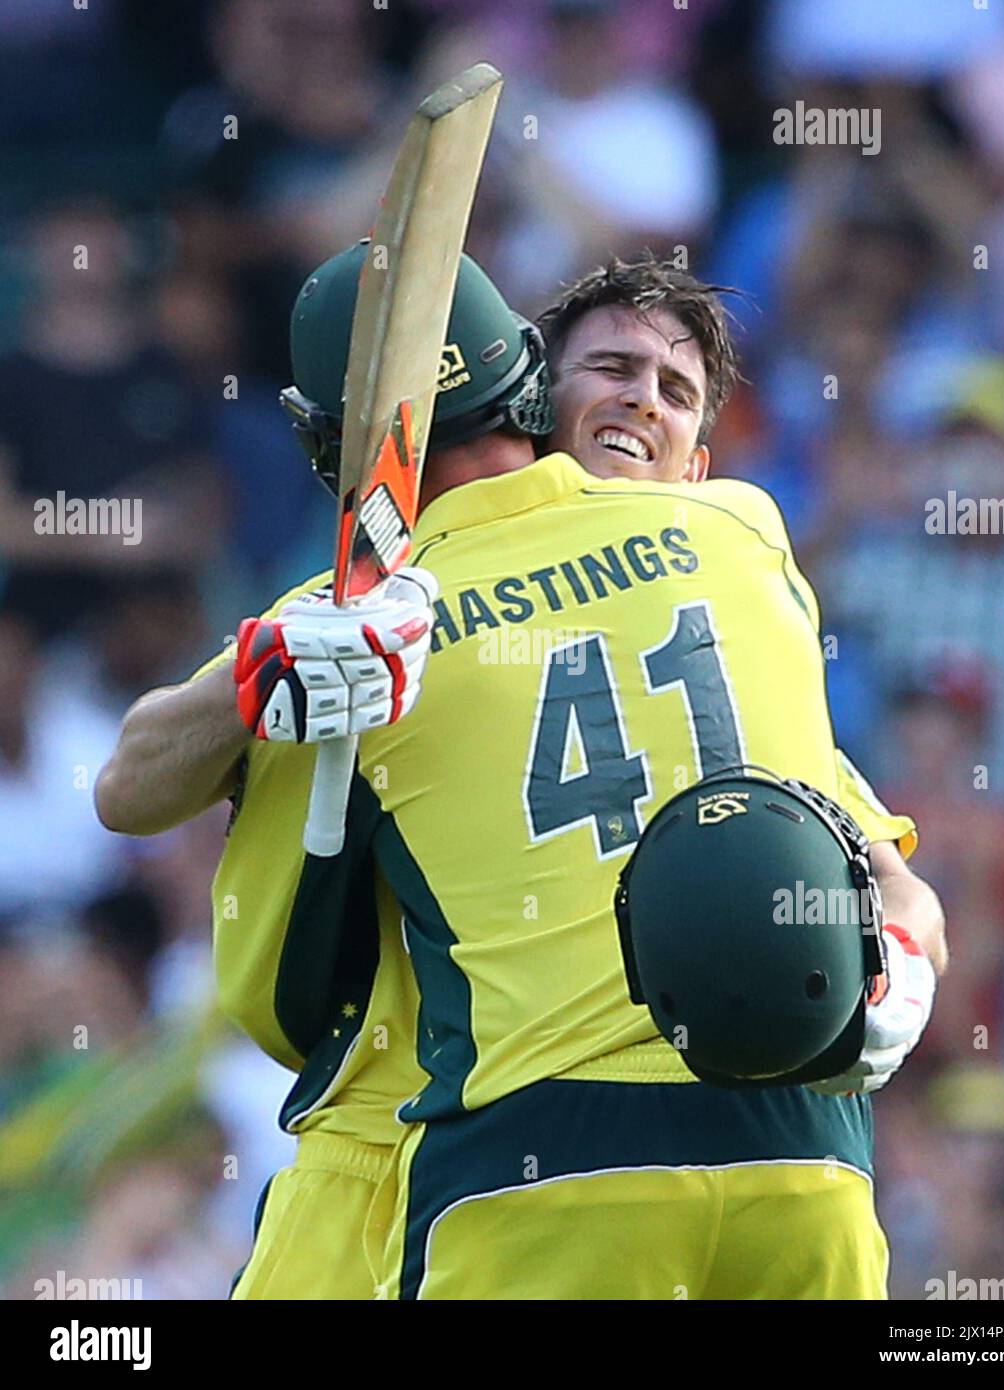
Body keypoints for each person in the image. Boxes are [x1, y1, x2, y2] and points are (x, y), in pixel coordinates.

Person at [96, 250, 944, 1300]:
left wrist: (903, 941)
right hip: (803, 1153)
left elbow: (162, 839)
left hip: (508, 1146)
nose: (640, 401)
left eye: (673, 392)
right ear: (536, 394)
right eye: (615, 372)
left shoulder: (362, 621)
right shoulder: (745, 539)